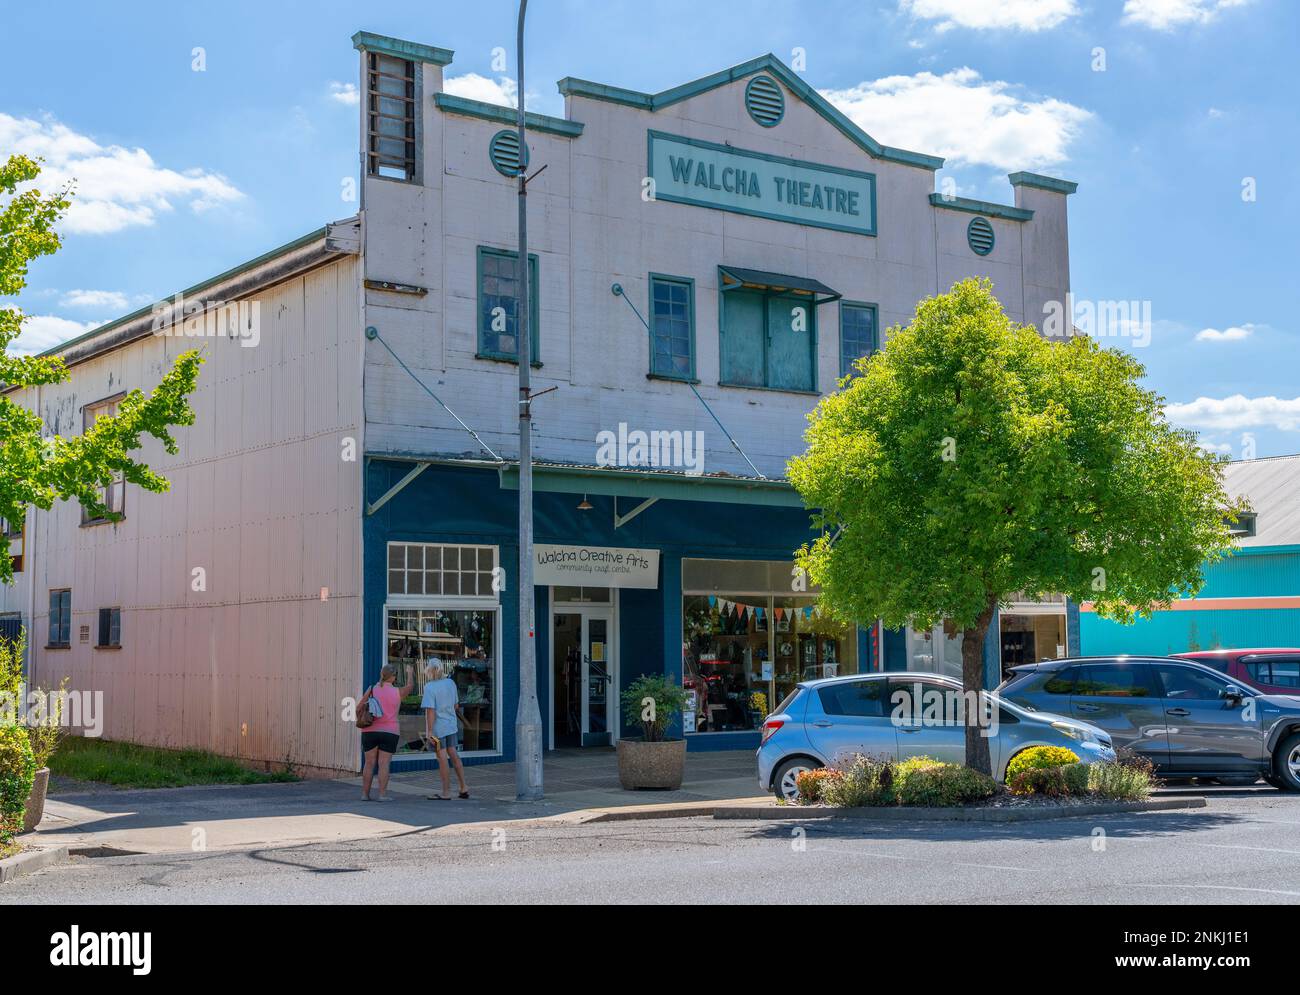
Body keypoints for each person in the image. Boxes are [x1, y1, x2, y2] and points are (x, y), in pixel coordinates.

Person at [360, 664, 412, 801]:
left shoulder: (371, 689)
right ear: (394, 677)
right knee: (384, 763)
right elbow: (410, 687)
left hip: (369, 731)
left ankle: (365, 795)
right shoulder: (397, 692)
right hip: (390, 731)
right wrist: (410, 673)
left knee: (369, 763)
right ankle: (382, 795)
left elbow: (359, 708)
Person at [422, 661, 470, 800]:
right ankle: (463, 786)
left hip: (438, 729)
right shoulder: (450, 683)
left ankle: (446, 792)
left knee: (441, 758)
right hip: (451, 725)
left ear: (429, 671)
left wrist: (429, 731)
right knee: (453, 754)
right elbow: (456, 705)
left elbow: (430, 711)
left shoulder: (429, 687)